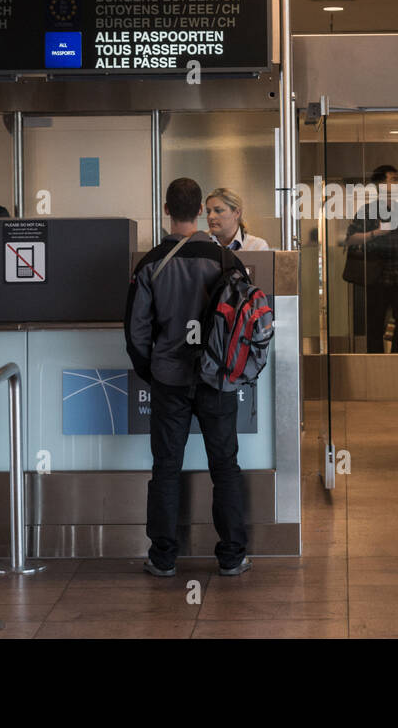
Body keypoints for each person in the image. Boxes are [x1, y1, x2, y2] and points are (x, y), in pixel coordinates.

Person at [126, 177, 251, 578]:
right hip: (218, 380)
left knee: (166, 465)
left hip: (169, 379)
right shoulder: (228, 261)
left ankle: (164, 557)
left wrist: (153, 370)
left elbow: (136, 331)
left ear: (166, 210)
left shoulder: (149, 264)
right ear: (200, 210)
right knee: (225, 465)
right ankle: (231, 555)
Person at [343, 165, 398, 353]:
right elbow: (350, 239)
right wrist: (375, 233)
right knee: (375, 323)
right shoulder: (367, 211)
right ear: (380, 185)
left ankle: (397, 358)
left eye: (397, 180)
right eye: (393, 179)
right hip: (375, 276)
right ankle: (375, 363)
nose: (397, 184)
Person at [205, 187, 270, 251]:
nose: (211, 216)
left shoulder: (257, 247)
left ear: (237, 213)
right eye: (208, 212)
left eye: (218, 210)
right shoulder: (198, 245)